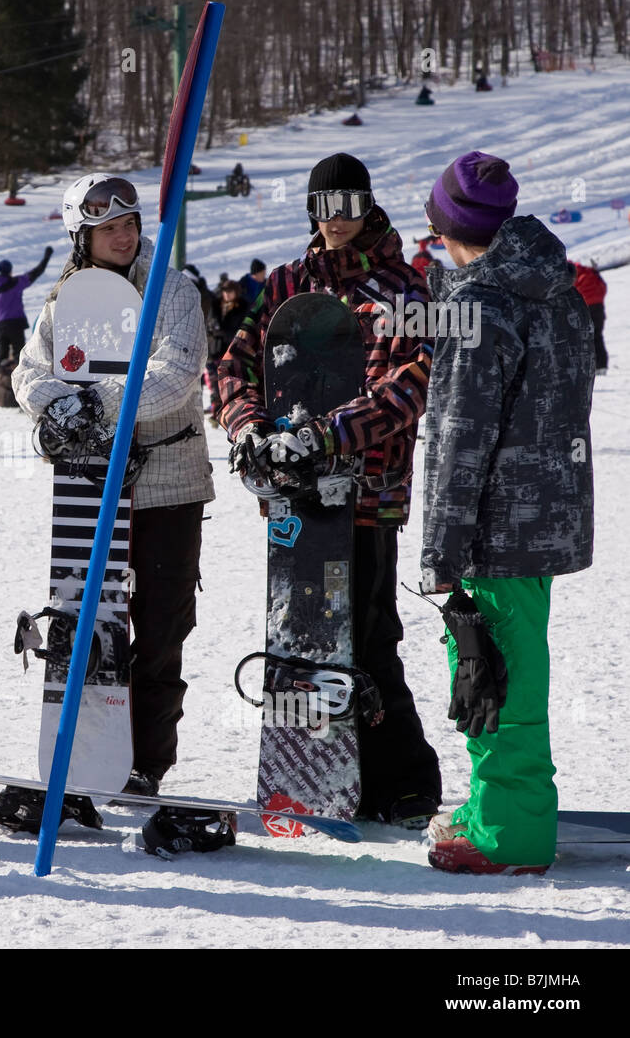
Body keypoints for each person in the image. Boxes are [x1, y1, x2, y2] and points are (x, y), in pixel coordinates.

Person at [0, 172, 224, 856]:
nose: (124, 236)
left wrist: (91, 403)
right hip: (91, 483)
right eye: (107, 228)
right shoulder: (66, 297)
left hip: (168, 481)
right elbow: (30, 370)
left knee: (163, 622)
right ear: (81, 235)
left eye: (129, 224)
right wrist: (52, 403)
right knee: (92, 625)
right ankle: (90, 756)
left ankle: (146, 762)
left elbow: (174, 376)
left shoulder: (171, 290)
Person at [218, 151, 443, 829]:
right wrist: (247, 425)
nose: (336, 220)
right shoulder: (288, 283)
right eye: (324, 207)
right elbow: (235, 363)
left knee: (368, 638)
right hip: (295, 498)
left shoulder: (401, 288)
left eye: (348, 206)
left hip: (367, 494)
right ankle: (321, 770)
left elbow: (411, 383)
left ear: (367, 206)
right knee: (301, 641)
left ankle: (403, 782)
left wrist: (331, 434)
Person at [420, 152, 593, 875]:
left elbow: (462, 436)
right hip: (547, 514)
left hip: (499, 525)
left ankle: (511, 833)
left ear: (445, 222)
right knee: (502, 665)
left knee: (494, 676)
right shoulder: (550, 286)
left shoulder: (483, 307)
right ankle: (495, 804)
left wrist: (439, 549)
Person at [0, 248, 54, 364]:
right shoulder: (15, 282)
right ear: (10, 271)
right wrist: (46, 258)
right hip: (15, 324)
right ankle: (19, 379)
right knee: (20, 354)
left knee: (2, 354)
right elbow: (35, 273)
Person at [205, 278, 250, 422]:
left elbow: (243, 330)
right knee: (214, 385)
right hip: (214, 351)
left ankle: (231, 414)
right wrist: (213, 329)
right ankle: (216, 413)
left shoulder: (242, 307)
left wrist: (224, 332)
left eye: (229, 292)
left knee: (230, 385)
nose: (226, 295)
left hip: (231, 353)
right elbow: (209, 324)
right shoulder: (216, 305)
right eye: (225, 292)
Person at [571, 260, 608, 374]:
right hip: (599, 307)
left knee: (584, 337)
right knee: (597, 335)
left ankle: (590, 366)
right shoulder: (590, 272)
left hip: (586, 307)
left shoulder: (571, 272)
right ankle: (601, 366)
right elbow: (603, 287)